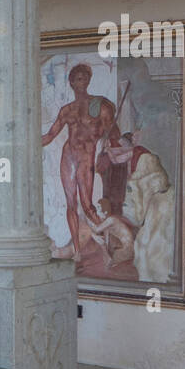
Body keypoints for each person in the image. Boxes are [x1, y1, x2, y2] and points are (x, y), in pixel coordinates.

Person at [41, 62, 121, 265]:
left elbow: (114, 132)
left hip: (86, 156)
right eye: (77, 79)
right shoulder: (67, 109)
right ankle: (77, 250)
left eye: (84, 79)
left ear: (89, 81)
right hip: (69, 155)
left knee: (87, 206)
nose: (81, 83)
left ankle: (109, 241)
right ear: (71, 83)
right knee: (71, 203)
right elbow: (50, 136)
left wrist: (109, 140)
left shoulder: (100, 105)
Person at [85, 198, 136, 270]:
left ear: (105, 211)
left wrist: (85, 220)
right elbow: (106, 242)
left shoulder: (111, 220)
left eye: (99, 207)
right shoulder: (107, 221)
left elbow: (96, 230)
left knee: (94, 236)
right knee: (99, 241)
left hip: (127, 250)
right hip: (126, 250)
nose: (96, 210)